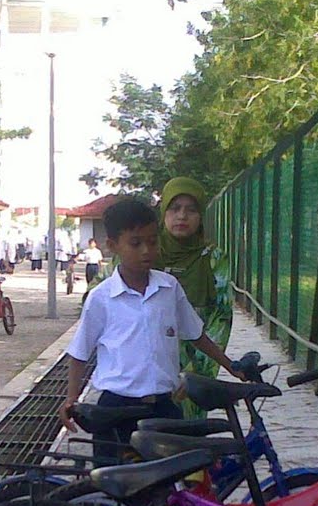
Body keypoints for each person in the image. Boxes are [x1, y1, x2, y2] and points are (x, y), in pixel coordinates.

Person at [62, 197, 245, 465]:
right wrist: (71, 399)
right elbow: (80, 352)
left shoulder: (169, 288)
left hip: (165, 408)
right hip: (116, 411)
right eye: (136, 243)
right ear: (113, 246)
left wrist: (231, 367)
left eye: (152, 241)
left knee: (174, 479)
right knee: (119, 482)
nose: (147, 250)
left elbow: (196, 334)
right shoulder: (101, 298)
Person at [157, 178, 233, 417]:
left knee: (188, 430)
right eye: (174, 208)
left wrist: (198, 372)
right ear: (163, 211)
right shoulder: (144, 251)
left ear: (200, 216)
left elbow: (221, 316)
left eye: (191, 210)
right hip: (146, 369)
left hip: (193, 369)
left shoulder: (213, 257)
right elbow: (102, 295)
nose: (182, 216)